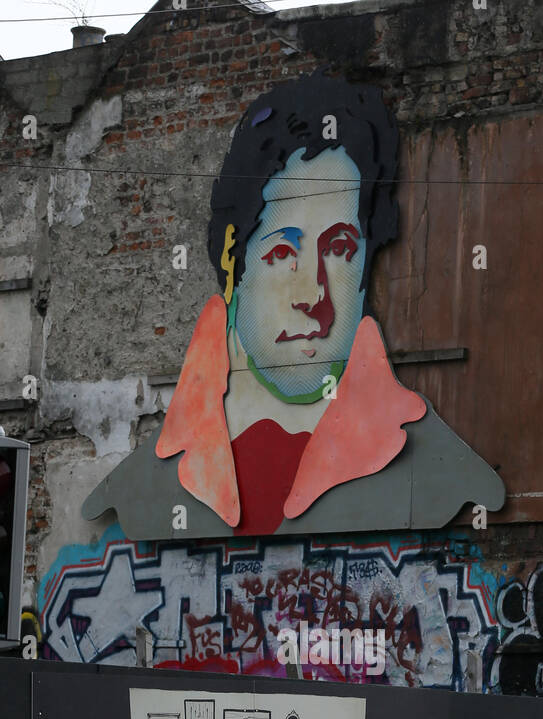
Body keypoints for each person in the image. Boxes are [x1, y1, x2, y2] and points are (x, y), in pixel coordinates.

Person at [82, 74, 504, 541]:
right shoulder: (142, 493)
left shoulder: (445, 478)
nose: (314, 294)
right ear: (230, 257)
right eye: (283, 252)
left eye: (340, 249)